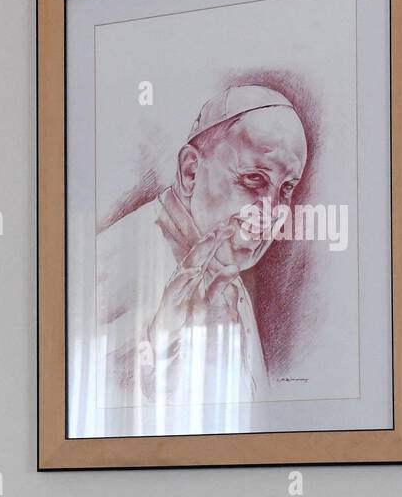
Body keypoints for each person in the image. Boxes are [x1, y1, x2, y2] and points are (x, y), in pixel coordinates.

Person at [95, 85, 308, 415]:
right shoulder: (118, 261)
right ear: (190, 171)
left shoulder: (217, 257)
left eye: (286, 189)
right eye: (254, 179)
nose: (270, 212)